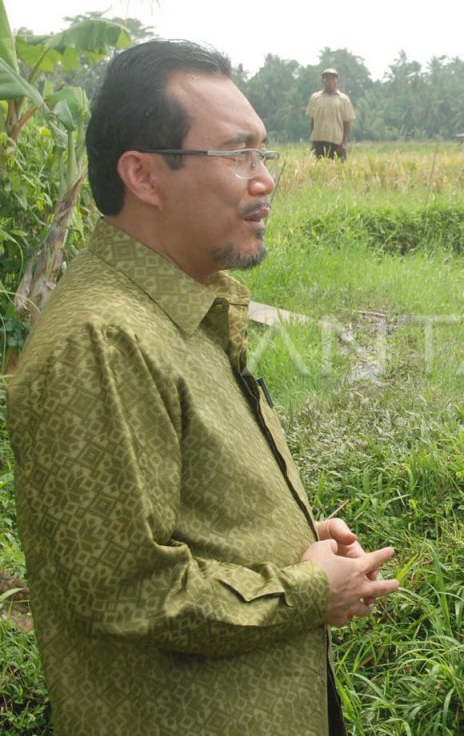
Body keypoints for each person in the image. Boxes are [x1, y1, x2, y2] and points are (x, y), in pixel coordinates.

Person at [7, 40, 400, 735]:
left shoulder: (187, 308)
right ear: (145, 176)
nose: (265, 180)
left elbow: (175, 510)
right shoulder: (103, 341)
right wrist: (310, 589)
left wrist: (292, 542)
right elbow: (131, 592)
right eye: (236, 154)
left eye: (263, 153)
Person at [306, 67, 355, 160]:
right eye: (327, 79)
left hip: (337, 143)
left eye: (333, 79)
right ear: (323, 81)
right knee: (319, 171)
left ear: (337, 81)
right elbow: (313, 120)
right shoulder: (315, 98)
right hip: (319, 141)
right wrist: (312, 141)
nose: (330, 82)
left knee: (339, 172)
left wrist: (344, 143)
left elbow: (347, 122)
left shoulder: (344, 99)